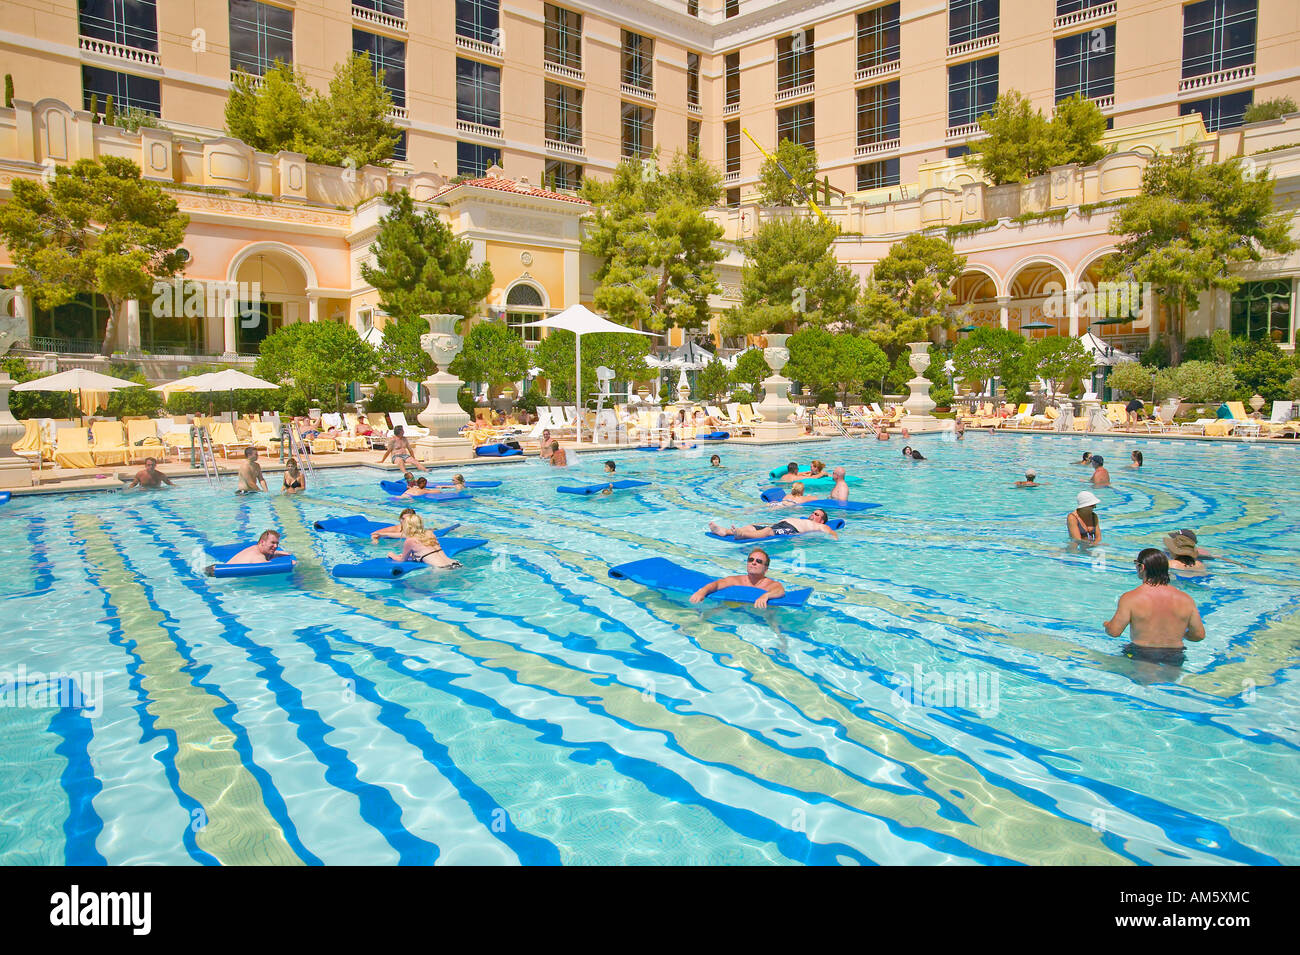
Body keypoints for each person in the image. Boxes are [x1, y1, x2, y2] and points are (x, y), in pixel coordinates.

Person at [1104, 548, 1206, 666]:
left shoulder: (1131, 598)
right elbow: (1199, 635)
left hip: (1141, 653)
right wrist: (1181, 635)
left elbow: (1114, 632)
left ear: (1141, 567)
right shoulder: (1186, 599)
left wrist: (1107, 625)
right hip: (1175, 655)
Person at [689, 549, 786, 608]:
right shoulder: (737, 580)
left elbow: (780, 591)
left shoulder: (769, 584)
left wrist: (766, 596)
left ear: (766, 569)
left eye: (759, 561)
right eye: (751, 560)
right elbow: (717, 584)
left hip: (760, 611)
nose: (753, 562)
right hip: (736, 607)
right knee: (718, 608)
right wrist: (703, 591)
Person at [709, 509, 839, 541]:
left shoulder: (821, 526)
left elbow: (831, 533)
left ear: (822, 520)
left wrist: (834, 538)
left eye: (816, 515)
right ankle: (724, 531)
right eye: (813, 513)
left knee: (767, 531)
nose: (812, 515)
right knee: (752, 527)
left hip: (791, 530)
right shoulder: (804, 519)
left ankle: (742, 535)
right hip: (781, 524)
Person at [389, 512, 462, 570]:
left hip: (442, 569)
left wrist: (392, 555)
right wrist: (411, 555)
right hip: (456, 564)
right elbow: (426, 551)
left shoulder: (410, 540)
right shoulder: (429, 533)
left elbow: (402, 560)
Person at [207, 529, 292, 575]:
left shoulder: (257, 548)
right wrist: (294, 564)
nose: (276, 546)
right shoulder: (258, 557)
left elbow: (273, 553)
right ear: (262, 542)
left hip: (214, 567)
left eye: (277, 543)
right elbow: (270, 567)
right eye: (273, 543)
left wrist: (285, 553)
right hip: (215, 572)